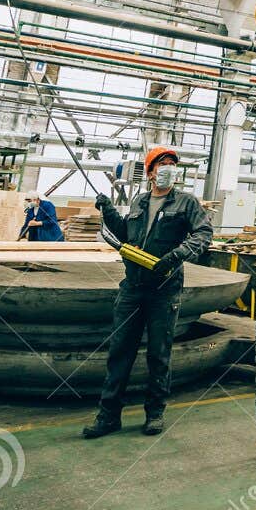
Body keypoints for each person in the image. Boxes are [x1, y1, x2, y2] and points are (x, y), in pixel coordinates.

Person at [82, 146, 212, 439]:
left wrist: (176, 255)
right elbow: (126, 234)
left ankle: (155, 413)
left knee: (158, 353)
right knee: (120, 352)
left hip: (164, 290)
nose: (168, 169)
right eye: (163, 164)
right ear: (151, 171)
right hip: (132, 288)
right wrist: (108, 209)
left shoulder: (186, 203)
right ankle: (108, 416)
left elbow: (204, 234)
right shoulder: (140, 201)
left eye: (172, 164)